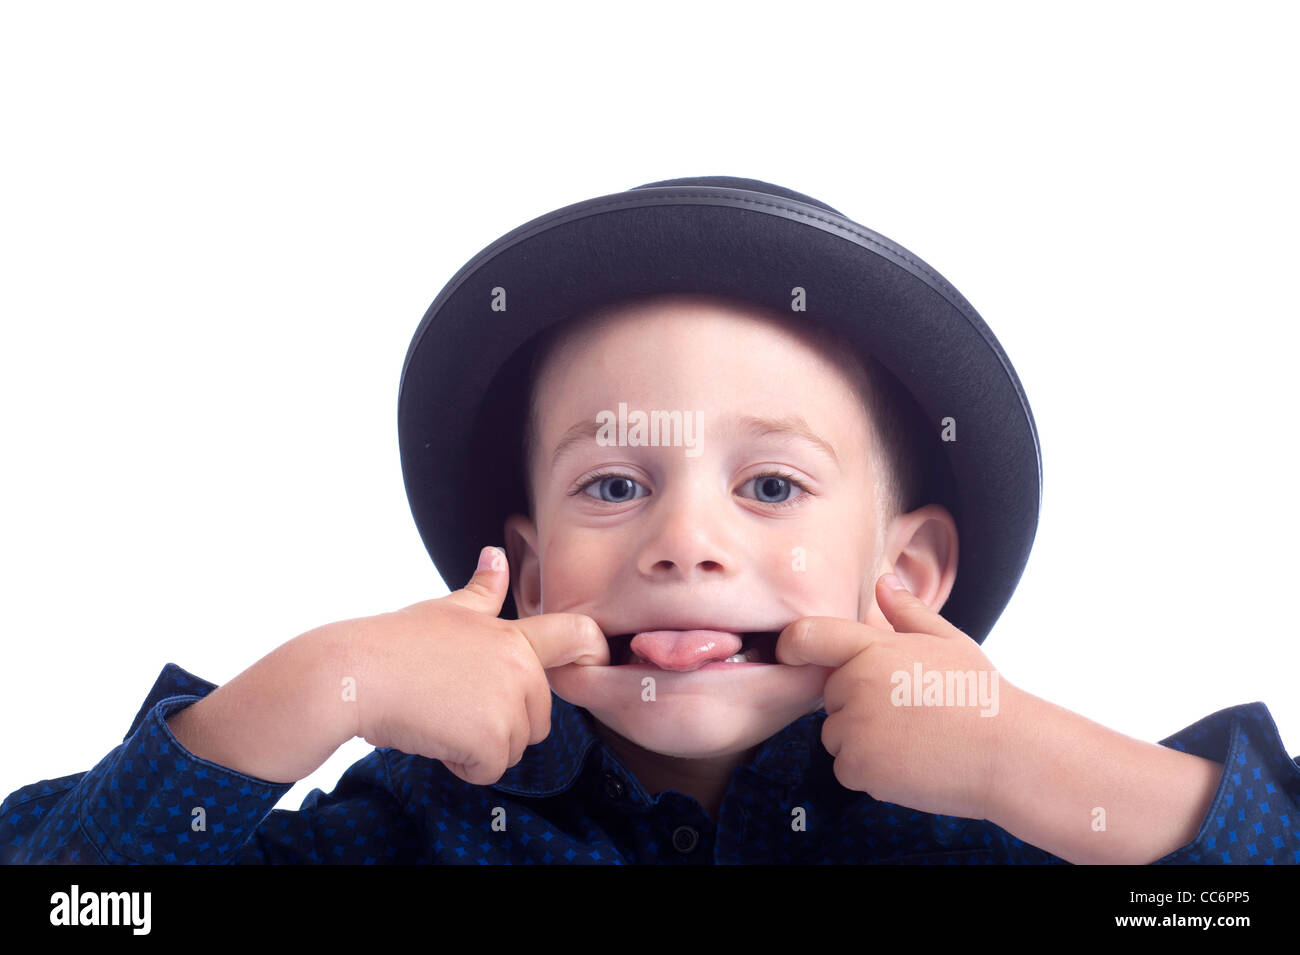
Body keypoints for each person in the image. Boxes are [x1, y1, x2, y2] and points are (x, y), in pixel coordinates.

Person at [3, 177, 1296, 864]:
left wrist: (1038, 765)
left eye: (772, 487)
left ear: (905, 569)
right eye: (614, 488)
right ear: (521, 576)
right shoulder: (419, 826)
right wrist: (313, 691)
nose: (686, 542)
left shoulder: (1008, 826)